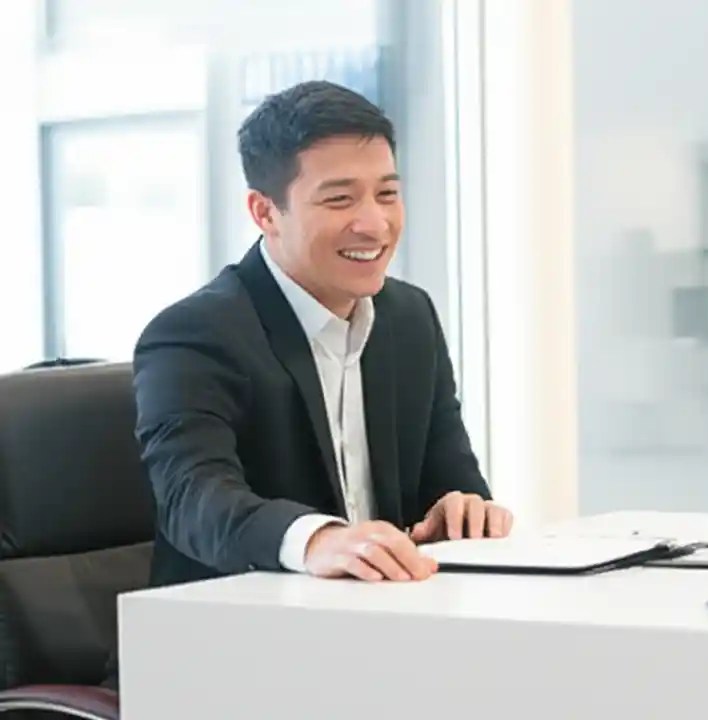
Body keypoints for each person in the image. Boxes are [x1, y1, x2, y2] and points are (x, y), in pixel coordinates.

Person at [132, 80, 512, 591]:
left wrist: (461, 509)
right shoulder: (195, 334)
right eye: (340, 200)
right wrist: (317, 541)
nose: (374, 224)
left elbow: (450, 482)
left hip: (385, 625)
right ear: (265, 212)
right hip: (229, 641)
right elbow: (192, 498)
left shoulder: (408, 318)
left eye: (387, 194)